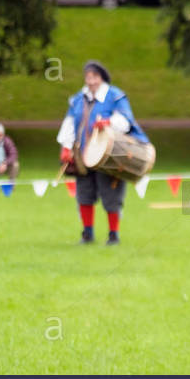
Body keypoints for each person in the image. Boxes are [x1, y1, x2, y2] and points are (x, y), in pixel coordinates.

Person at [56, 60, 149, 246]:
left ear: (102, 78)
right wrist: (66, 147)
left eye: (95, 77)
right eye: (88, 77)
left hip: (108, 156)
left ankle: (113, 234)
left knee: (111, 195)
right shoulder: (77, 99)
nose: (91, 81)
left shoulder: (115, 96)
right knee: (84, 194)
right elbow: (69, 124)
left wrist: (108, 122)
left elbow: (125, 120)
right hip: (82, 155)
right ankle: (87, 234)